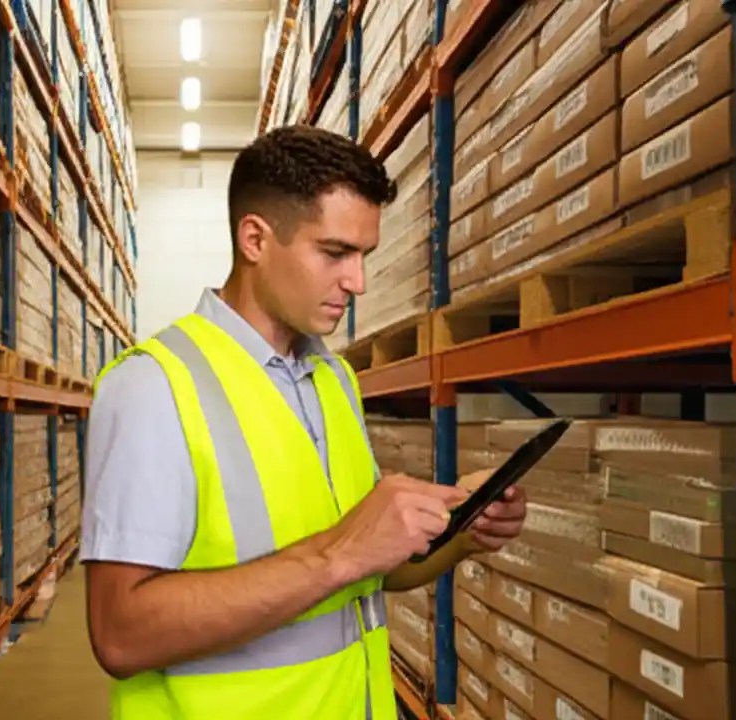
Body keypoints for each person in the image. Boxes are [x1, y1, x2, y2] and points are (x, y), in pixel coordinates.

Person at [80, 125, 528, 720]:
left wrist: (462, 530)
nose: (357, 282)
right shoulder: (153, 386)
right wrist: (341, 552)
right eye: (335, 253)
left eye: (364, 256)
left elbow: (367, 575)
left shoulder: (333, 379)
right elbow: (120, 633)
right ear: (255, 239)